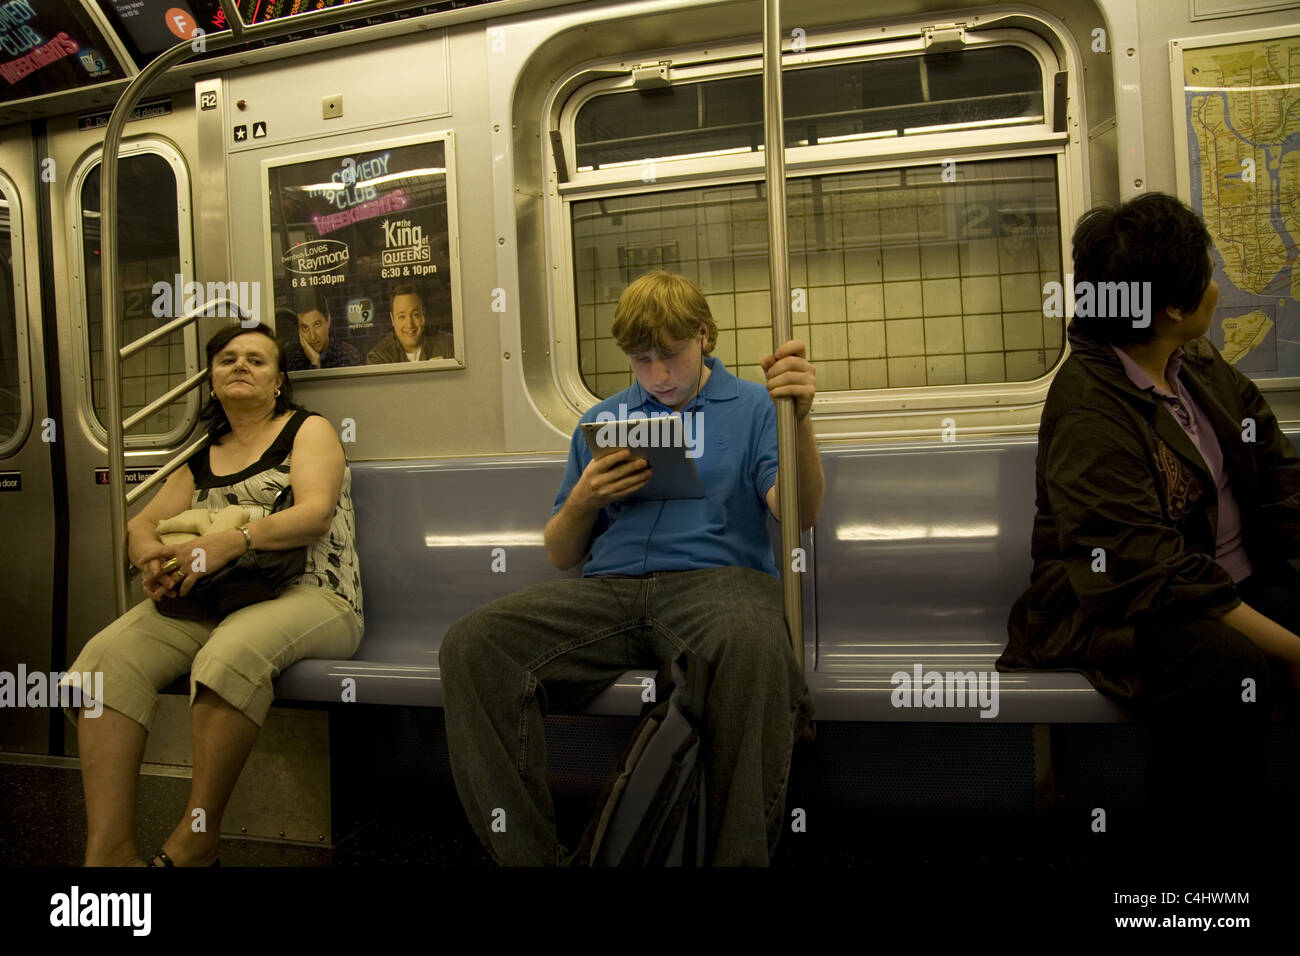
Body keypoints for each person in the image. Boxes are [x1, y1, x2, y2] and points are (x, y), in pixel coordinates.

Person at [439, 271, 822, 866]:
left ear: (703, 336)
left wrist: (798, 420)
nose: (659, 376)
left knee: (755, 647)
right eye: (642, 361)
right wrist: (586, 498)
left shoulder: (753, 406)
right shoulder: (605, 419)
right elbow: (562, 555)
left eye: (669, 355)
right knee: (473, 646)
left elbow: (796, 514)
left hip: (717, 586)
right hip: (611, 593)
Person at [997, 192, 1300, 854]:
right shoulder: (1089, 408)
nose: (1218, 285)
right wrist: (1290, 648)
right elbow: (1147, 567)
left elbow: (1279, 475)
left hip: (1225, 584)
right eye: (1208, 273)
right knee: (1230, 673)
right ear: (1173, 309)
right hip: (1119, 608)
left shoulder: (1197, 367)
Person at [61, 322, 364, 866]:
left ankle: (196, 840)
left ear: (278, 381)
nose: (240, 366)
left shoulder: (308, 430)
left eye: (256, 359)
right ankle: (109, 854)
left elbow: (315, 514)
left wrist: (235, 539)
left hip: (314, 595)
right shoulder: (201, 454)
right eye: (227, 360)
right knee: (104, 663)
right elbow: (141, 523)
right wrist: (149, 555)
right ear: (211, 380)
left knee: (227, 656)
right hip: (212, 601)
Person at [365, 283, 454, 363]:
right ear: (392, 319)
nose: (410, 324)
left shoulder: (447, 344)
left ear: (423, 315)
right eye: (402, 317)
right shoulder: (378, 357)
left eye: (415, 315)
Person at [282, 292, 361, 370]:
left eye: (317, 325)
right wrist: (315, 363)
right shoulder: (294, 360)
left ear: (328, 320)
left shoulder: (347, 353)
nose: (312, 337)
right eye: (305, 328)